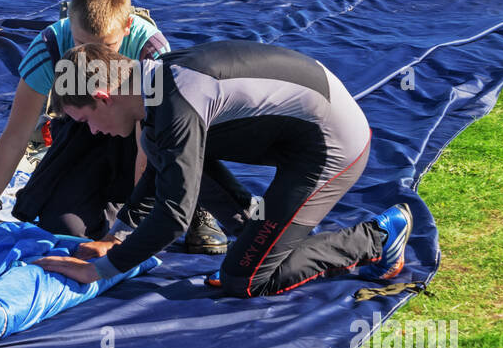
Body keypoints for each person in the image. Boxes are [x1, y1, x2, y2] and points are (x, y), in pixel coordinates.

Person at [33, 41, 413, 297]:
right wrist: (119, 237)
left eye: (87, 120)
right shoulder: (155, 82)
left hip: (334, 145)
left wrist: (101, 271)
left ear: (104, 96)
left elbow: (174, 216)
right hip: (304, 129)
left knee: (244, 279)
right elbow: (164, 169)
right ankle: (254, 235)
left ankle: (377, 239)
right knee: (159, 146)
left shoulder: (176, 99)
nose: (94, 132)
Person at [0, 0, 233, 251]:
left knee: (178, 138)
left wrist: (129, 231)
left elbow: (155, 140)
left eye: (107, 46)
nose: (93, 60)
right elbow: (15, 136)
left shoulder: (150, 50)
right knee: (64, 229)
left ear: (128, 27)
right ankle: (107, 200)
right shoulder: (50, 48)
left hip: (142, 133)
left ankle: (196, 204)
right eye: (82, 44)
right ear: (68, 24)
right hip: (86, 130)